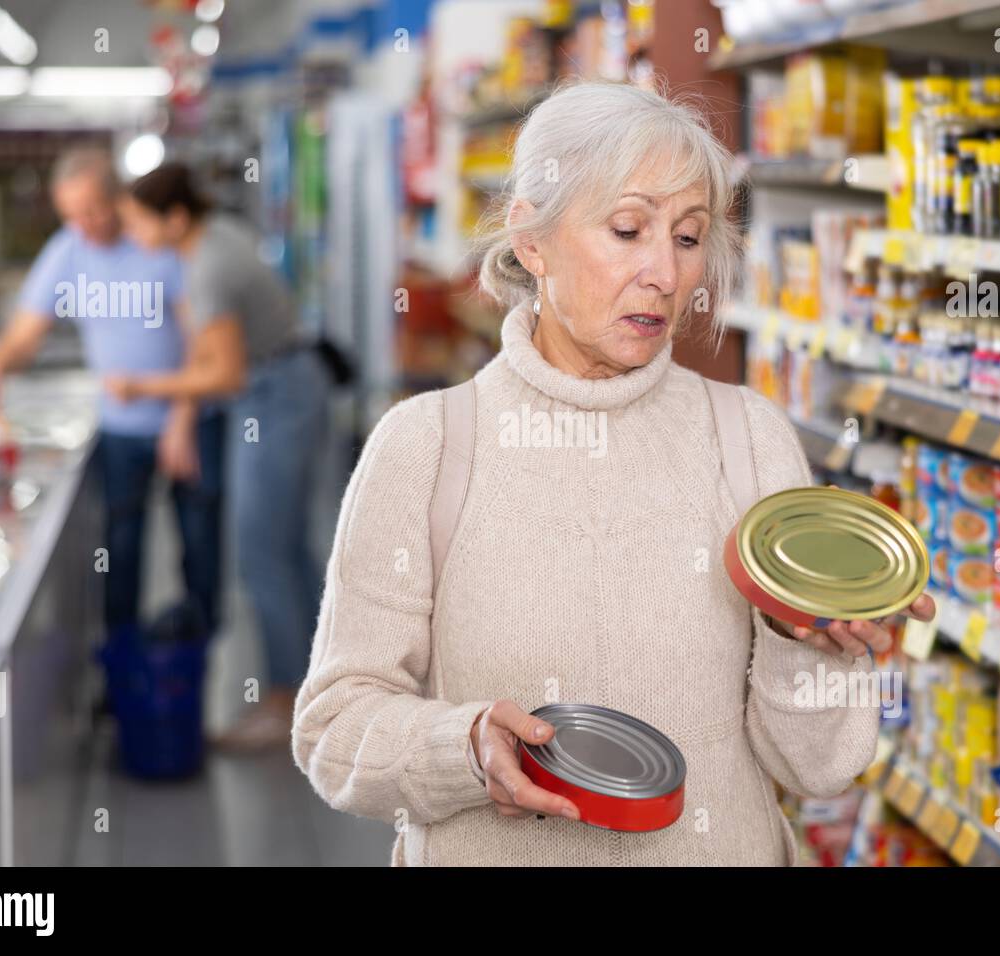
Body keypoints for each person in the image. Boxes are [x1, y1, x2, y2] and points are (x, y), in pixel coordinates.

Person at [291, 80, 936, 866]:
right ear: (532, 241)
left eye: (690, 238)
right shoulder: (425, 446)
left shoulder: (748, 437)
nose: (664, 272)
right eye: (628, 229)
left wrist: (804, 636)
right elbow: (334, 729)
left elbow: (822, 770)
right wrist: (460, 746)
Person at [109, 164, 330, 752]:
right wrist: (181, 415)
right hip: (286, 385)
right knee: (287, 549)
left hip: (274, 396)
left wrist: (141, 388)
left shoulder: (207, 267)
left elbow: (225, 371)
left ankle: (286, 703)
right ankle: (322, 690)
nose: (129, 233)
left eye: (137, 221)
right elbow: (206, 347)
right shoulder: (213, 238)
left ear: (174, 218)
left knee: (261, 554)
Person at [0, 146, 224, 640]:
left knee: (201, 546)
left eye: (91, 211)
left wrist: (182, 417)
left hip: (191, 422)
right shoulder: (69, 249)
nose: (82, 225)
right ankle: (123, 670)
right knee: (120, 551)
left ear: (118, 198)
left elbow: (203, 341)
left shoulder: (162, 242)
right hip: (121, 431)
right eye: (71, 215)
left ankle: (193, 665)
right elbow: (25, 332)